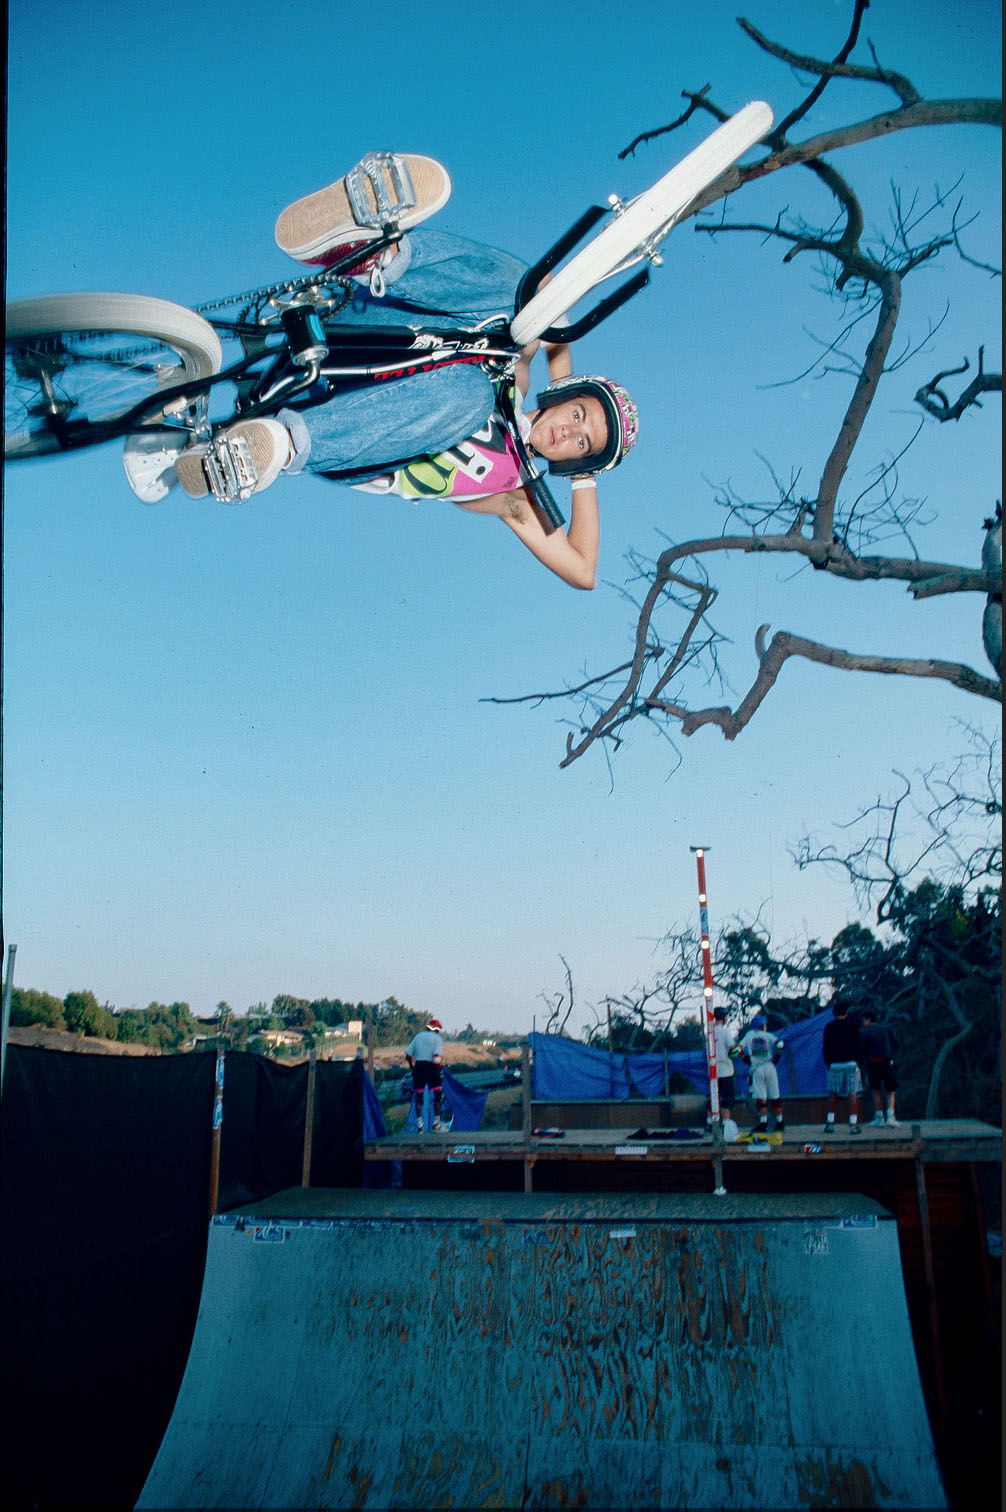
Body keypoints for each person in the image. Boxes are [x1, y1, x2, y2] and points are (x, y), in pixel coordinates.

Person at [175, 152, 639, 590]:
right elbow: (549, 301)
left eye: (583, 444)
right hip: (363, 332)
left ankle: (276, 445)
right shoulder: (517, 377)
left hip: (335, 433)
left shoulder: (514, 491)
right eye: (577, 415)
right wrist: (558, 353)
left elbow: (583, 571)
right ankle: (381, 255)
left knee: (471, 395)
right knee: (529, 302)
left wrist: (586, 473)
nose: (569, 432)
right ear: (564, 398)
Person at [737, 1015, 786, 1134]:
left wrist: (744, 1058)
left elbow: (738, 1049)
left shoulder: (749, 1035)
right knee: (775, 1096)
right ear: (762, 1026)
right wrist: (777, 1055)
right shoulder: (768, 1035)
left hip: (756, 1069)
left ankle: (764, 1123)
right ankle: (780, 1122)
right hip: (770, 1067)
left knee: (761, 1097)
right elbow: (780, 1044)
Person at [822, 1001, 862, 1135]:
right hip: (851, 1063)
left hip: (834, 1064)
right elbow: (858, 1045)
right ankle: (853, 1124)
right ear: (846, 1013)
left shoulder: (829, 1027)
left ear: (834, 1013)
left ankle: (830, 1123)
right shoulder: (853, 1026)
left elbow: (825, 1047)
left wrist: (828, 1063)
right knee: (852, 1094)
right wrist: (859, 1062)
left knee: (832, 1093)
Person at [860, 1009, 900, 1126]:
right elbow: (896, 1044)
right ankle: (891, 1117)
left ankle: (879, 1117)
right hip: (887, 1061)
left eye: (864, 1020)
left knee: (876, 1090)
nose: (863, 1023)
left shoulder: (865, 1033)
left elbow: (862, 1049)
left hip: (873, 1063)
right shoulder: (886, 1029)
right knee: (891, 1090)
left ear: (868, 1020)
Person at [405, 1016, 446, 1131]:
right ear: (437, 1030)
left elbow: (407, 1055)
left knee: (419, 1096)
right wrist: (439, 1071)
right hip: (431, 1067)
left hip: (418, 1066)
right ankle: (436, 1124)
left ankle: (420, 1124)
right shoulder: (437, 1038)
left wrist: (412, 1067)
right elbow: (436, 1058)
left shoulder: (418, 1036)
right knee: (438, 1094)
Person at [707, 1006, 737, 1126]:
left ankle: (710, 1123)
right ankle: (726, 1123)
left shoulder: (709, 1033)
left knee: (713, 1098)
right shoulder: (725, 1031)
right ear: (723, 1018)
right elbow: (732, 1050)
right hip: (726, 1071)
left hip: (713, 1070)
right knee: (727, 1098)